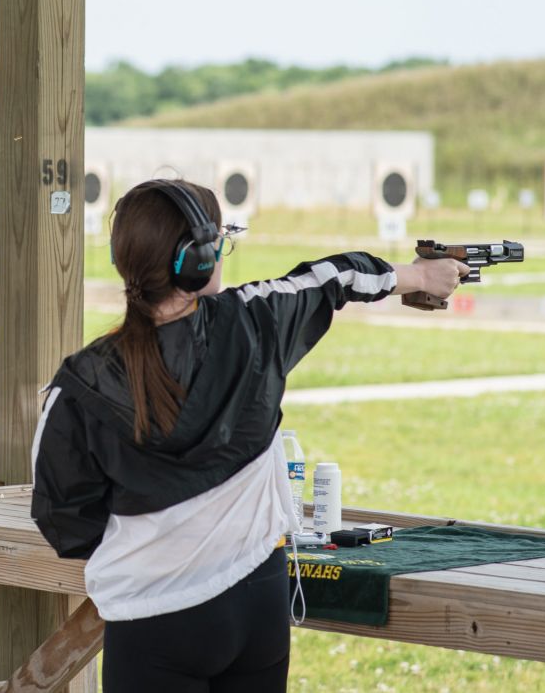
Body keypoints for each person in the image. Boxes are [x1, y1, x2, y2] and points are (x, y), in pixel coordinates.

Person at [30, 178, 468, 692]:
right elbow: (334, 277)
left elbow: (63, 519)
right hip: (257, 600)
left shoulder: (79, 384)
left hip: (153, 617)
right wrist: (420, 276)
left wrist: (148, 539)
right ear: (200, 258)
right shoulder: (257, 320)